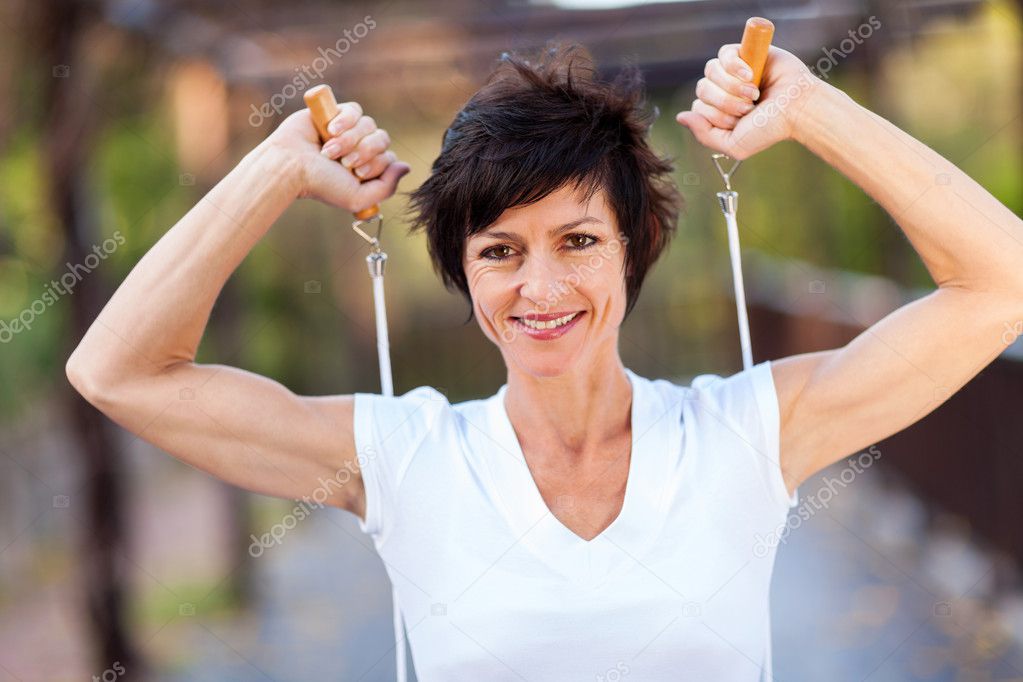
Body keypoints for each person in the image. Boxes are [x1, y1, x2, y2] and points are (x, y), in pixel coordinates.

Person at [66, 38, 1023, 682]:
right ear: (463, 274)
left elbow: (1001, 283)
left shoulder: (749, 433)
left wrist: (812, 108)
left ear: (633, 249)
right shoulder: (401, 457)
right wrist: (275, 167)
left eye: (578, 240)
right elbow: (117, 372)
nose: (540, 287)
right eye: (499, 251)